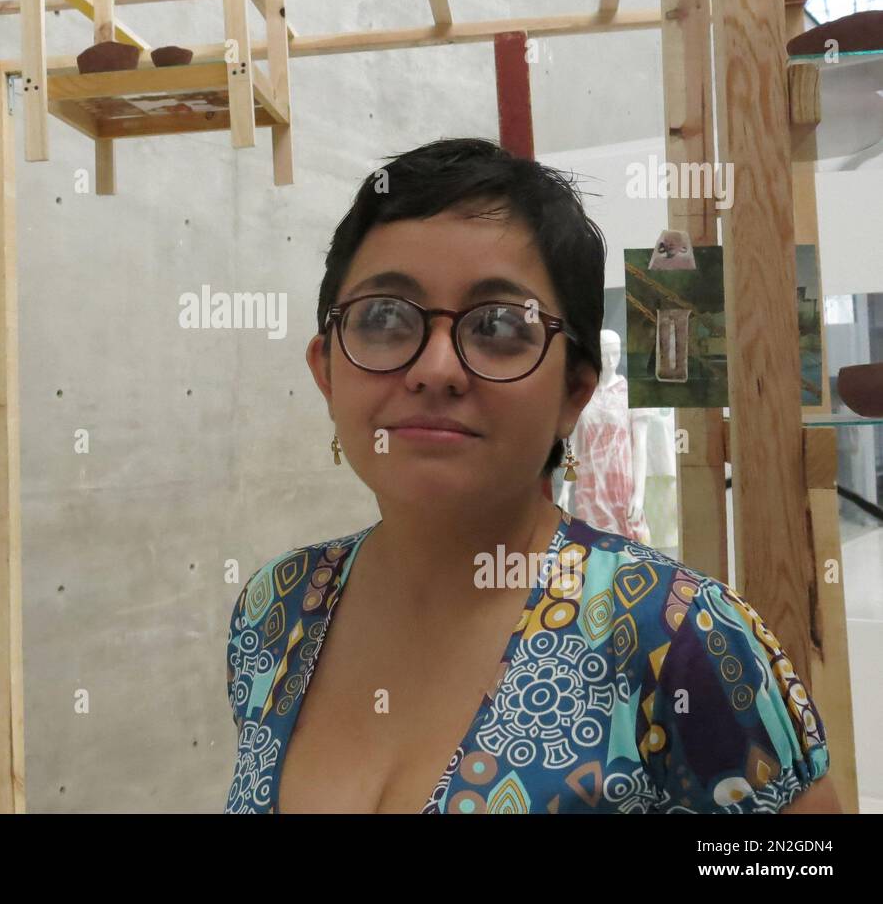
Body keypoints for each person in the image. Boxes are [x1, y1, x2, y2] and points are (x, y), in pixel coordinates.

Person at [224, 138, 837, 814]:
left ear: (574, 391)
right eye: (384, 318)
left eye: (498, 326)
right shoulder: (277, 607)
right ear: (326, 369)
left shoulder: (682, 637)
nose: (435, 368)